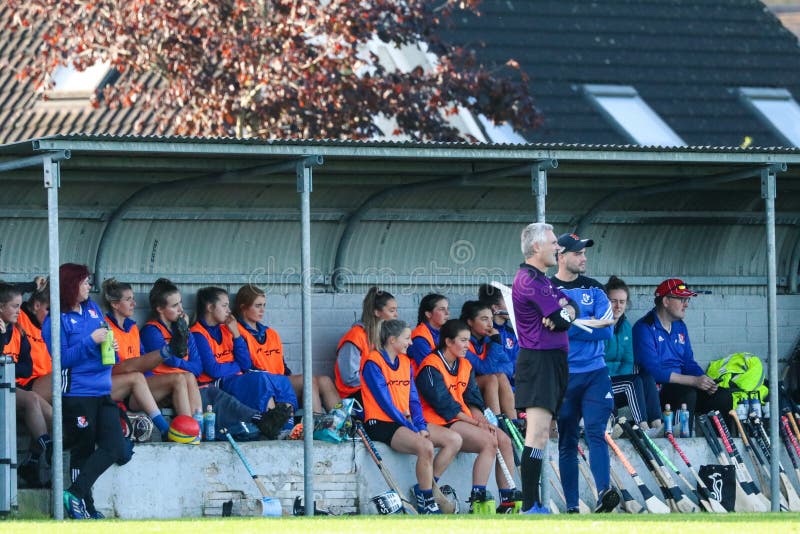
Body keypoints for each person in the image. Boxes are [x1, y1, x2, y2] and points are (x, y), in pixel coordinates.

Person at [140, 279, 287, 439]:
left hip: (190, 384)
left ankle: (263, 421)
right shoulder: (152, 330)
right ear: (160, 309)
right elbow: (173, 361)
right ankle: (256, 421)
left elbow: (198, 368)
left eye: (181, 303)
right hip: (164, 386)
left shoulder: (187, 328)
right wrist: (184, 348)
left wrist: (236, 335)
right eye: (175, 305)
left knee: (223, 390)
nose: (181, 309)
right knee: (216, 393)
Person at [42, 264, 132, 519]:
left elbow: (105, 341)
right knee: (83, 450)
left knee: (115, 447)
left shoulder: (92, 308)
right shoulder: (55, 320)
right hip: (77, 393)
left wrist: (112, 347)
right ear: (71, 285)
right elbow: (62, 359)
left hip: (102, 390)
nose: (89, 287)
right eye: (84, 282)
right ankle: (84, 506)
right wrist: (91, 340)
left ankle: (75, 493)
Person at [361, 319, 462, 514]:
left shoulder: (406, 362)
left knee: (451, 440)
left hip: (403, 422)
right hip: (380, 422)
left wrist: (421, 426)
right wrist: (413, 429)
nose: (411, 342)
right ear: (392, 340)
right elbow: (386, 404)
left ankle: (426, 490)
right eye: (407, 338)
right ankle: (427, 501)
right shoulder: (373, 362)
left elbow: (413, 400)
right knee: (425, 446)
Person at [416, 319, 516, 513]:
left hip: (462, 418)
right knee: (488, 442)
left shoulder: (465, 364)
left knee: (503, 440)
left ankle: (507, 501)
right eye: (463, 340)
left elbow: (473, 400)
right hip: (439, 420)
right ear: (448, 341)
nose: (467, 346)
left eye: (468, 341)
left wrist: (483, 421)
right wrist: (475, 423)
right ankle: (476, 498)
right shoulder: (430, 365)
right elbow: (445, 406)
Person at [511, 222, 577, 515]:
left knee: (542, 434)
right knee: (536, 434)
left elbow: (571, 307)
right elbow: (560, 318)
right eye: (552, 243)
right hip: (539, 362)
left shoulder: (543, 280)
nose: (557, 248)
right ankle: (529, 506)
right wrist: (564, 313)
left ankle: (533, 504)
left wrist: (566, 311)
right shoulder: (529, 280)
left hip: (552, 361)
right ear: (536, 247)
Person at [550, 233, 619, 514]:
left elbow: (607, 331)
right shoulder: (548, 290)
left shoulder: (595, 289)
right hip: (564, 377)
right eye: (578, 253)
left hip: (595, 374)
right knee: (567, 440)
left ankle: (604, 493)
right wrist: (587, 322)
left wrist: (569, 323)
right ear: (561, 256)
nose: (583, 257)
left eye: (584, 253)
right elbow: (548, 331)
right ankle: (572, 507)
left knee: (595, 431)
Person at [632, 278, 733, 432]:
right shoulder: (644, 327)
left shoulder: (680, 326)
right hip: (657, 391)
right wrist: (693, 381)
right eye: (681, 299)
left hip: (683, 385)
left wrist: (705, 380)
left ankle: (721, 442)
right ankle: (682, 441)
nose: (686, 304)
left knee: (723, 396)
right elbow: (653, 372)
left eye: (687, 300)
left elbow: (688, 362)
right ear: (666, 301)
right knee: (687, 394)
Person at [100, 279, 195, 438]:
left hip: (138, 387)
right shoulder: (105, 327)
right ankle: (167, 431)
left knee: (185, 376)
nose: (134, 303)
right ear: (115, 304)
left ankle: (193, 429)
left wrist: (154, 384)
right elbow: (112, 368)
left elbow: (144, 362)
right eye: (128, 299)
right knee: (140, 375)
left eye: (133, 298)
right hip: (117, 387)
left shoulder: (132, 327)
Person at [190, 287, 296, 426]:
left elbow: (245, 363)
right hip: (216, 383)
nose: (229, 310)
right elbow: (213, 370)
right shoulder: (197, 333)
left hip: (235, 378)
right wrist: (237, 366)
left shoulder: (227, 328)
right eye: (224, 305)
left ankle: (288, 427)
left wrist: (236, 334)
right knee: (259, 379)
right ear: (210, 307)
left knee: (282, 380)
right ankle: (272, 425)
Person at [234, 284, 340, 415]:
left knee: (324, 381)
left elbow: (282, 365)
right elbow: (246, 367)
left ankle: (344, 424)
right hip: (262, 383)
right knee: (307, 381)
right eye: (257, 306)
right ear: (243, 307)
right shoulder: (237, 332)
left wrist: (289, 379)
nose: (262, 310)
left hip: (280, 381)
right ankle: (315, 423)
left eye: (264, 305)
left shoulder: (271, 333)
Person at [0, 282, 52, 488]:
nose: (18, 311)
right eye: (14, 306)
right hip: (5, 388)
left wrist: (7, 365)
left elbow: (26, 368)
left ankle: (33, 460)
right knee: (31, 399)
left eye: (20, 306)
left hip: (12, 386)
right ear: (1, 307)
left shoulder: (18, 331)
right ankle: (47, 448)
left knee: (51, 414)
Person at [604, 276, 662, 431]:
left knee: (646, 377)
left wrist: (622, 377)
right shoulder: (599, 325)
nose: (618, 306)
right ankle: (643, 428)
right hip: (601, 383)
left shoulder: (626, 326)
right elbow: (597, 361)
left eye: (622, 302)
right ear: (605, 302)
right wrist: (622, 379)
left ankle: (657, 425)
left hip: (619, 383)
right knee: (632, 382)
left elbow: (628, 360)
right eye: (613, 301)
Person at [334, 286, 398, 403]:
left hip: (374, 388)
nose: (396, 315)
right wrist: (380, 381)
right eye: (392, 311)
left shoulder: (383, 336)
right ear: (377, 312)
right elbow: (349, 378)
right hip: (354, 394)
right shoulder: (355, 336)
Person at [460, 300, 516, 420]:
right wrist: (496, 343)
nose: (490, 324)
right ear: (470, 322)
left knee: (500, 376)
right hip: (464, 388)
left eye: (491, 319)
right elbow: (484, 369)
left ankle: (514, 423)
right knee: (492, 379)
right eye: (484, 319)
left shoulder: (488, 339)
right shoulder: (463, 342)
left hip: (485, 385)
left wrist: (493, 369)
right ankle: (497, 424)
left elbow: (509, 367)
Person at [17, 280, 53, 403]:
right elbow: (6, 293)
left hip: (45, 383)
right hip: (24, 384)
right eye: (50, 310)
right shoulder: (18, 315)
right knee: (64, 377)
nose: (54, 317)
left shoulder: (53, 327)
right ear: (37, 306)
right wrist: (32, 285)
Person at [478, 284, 518, 389]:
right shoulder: (483, 335)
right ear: (495, 308)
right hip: (494, 388)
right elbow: (487, 368)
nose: (514, 305)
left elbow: (519, 365)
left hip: (515, 387)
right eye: (509, 302)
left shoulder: (513, 334)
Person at [407, 293, 449, 371]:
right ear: (428, 314)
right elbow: (431, 368)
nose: (447, 313)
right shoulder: (419, 338)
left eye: (447, 308)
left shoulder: (444, 331)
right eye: (442, 309)